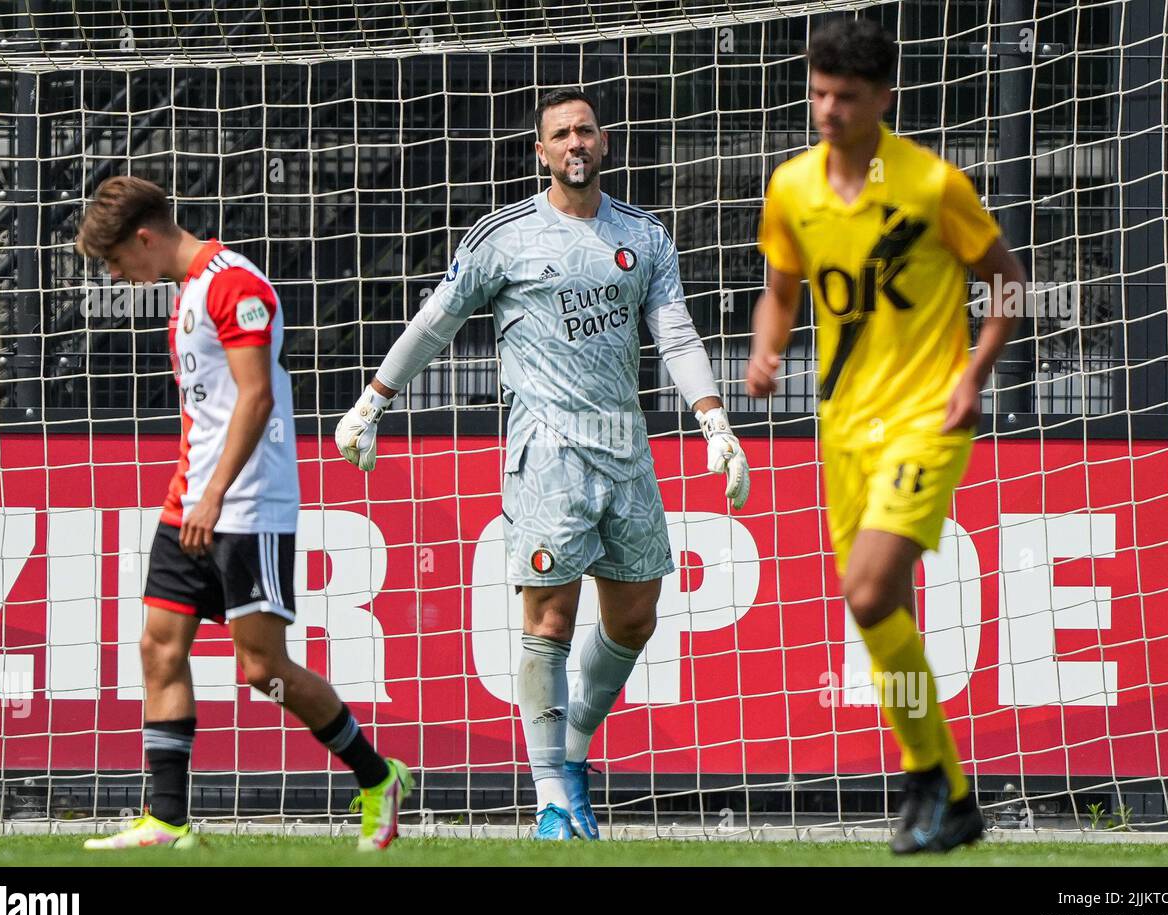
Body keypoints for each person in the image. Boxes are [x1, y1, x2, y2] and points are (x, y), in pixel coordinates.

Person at [336, 88, 750, 840]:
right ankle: (553, 799)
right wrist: (373, 401)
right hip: (547, 450)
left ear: (604, 141)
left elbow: (678, 336)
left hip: (626, 447)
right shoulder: (506, 237)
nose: (575, 144)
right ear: (542, 152)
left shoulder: (644, 236)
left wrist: (713, 421)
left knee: (635, 616)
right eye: (560, 134)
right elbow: (437, 322)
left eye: (586, 130)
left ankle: (576, 751)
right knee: (550, 618)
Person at [747, 19, 1025, 853]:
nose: (828, 110)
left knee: (865, 593)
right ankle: (943, 787)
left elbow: (1007, 283)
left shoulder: (933, 185)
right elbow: (782, 291)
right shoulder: (792, 186)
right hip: (845, 428)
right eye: (819, 93)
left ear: (884, 98)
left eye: (847, 98)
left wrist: (973, 376)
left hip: (926, 418)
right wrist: (766, 348)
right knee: (881, 615)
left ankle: (937, 782)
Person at [76, 176, 411, 852]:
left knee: (265, 672)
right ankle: (166, 820)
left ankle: (379, 777)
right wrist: (190, 491)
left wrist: (213, 494)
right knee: (157, 645)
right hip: (191, 502)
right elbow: (210, 413)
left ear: (143, 237)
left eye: (115, 260)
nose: (117, 274)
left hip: (248, 508)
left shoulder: (236, 285)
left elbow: (255, 400)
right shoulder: (188, 296)